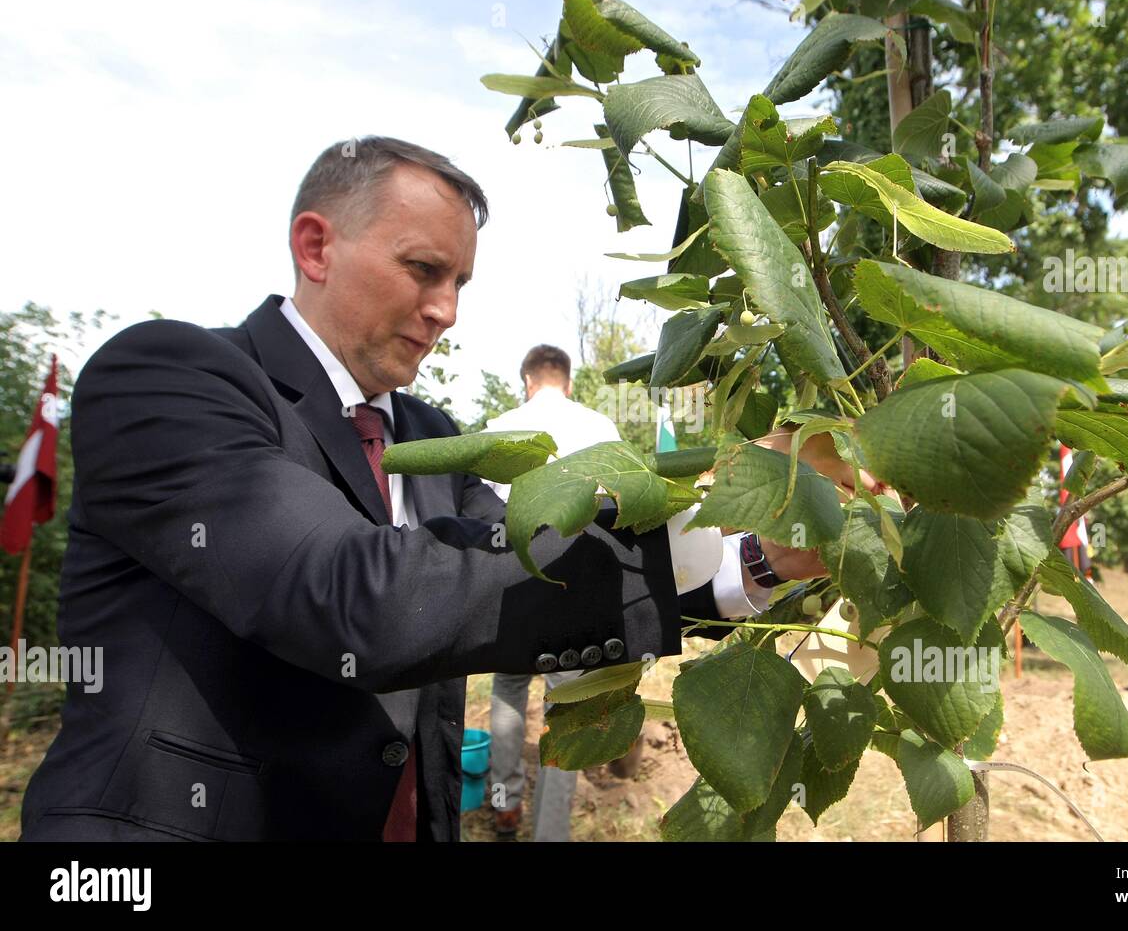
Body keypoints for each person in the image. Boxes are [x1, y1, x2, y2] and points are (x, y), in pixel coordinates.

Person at [19, 135, 824, 841]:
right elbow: (347, 593)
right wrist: (716, 495)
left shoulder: (430, 433)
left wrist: (754, 551)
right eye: (423, 270)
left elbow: (530, 566)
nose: (445, 311)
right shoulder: (168, 376)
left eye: (462, 283)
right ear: (315, 246)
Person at [481, 345, 625, 840]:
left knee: (508, 686)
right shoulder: (601, 428)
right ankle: (550, 834)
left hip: (513, 581)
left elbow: (480, 517)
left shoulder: (498, 427)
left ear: (527, 380)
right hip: (578, 587)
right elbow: (618, 513)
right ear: (566, 381)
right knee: (567, 711)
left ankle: (504, 803)